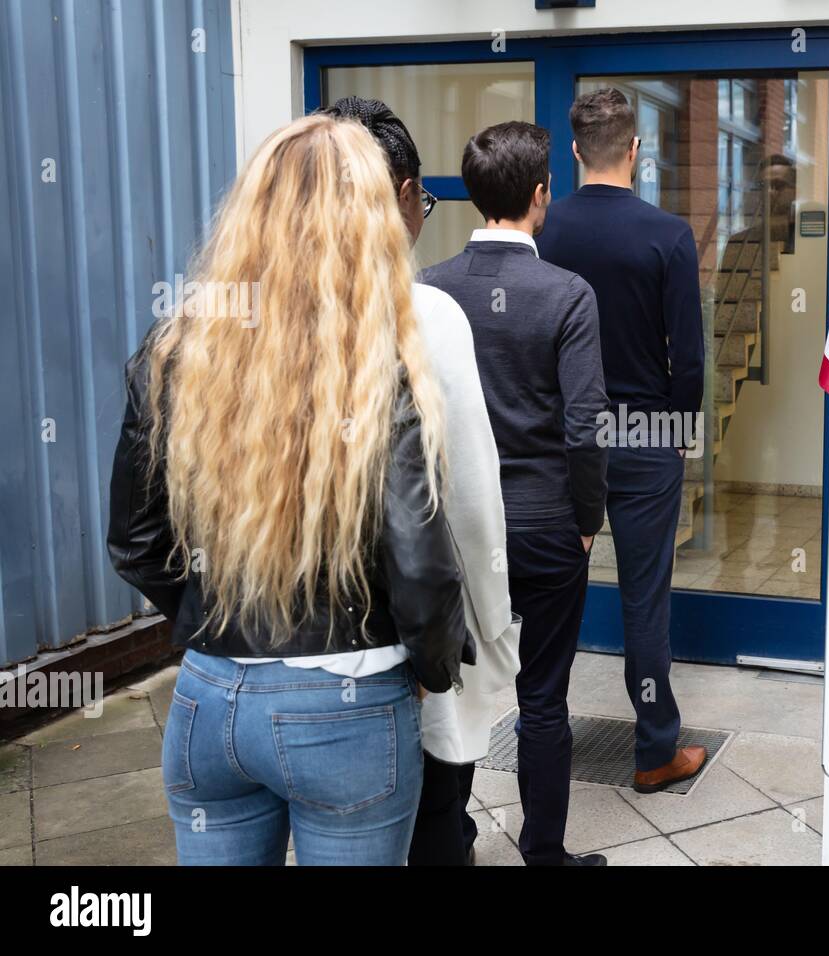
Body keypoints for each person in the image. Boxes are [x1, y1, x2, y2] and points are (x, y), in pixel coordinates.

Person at [106, 113, 469, 865]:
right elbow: (424, 572)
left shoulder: (175, 352)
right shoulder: (380, 368)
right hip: (350, 708)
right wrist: (434, 673)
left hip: (208, 704)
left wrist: (219, 618)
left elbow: (136, 543)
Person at [319, 96, 521, 867]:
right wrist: (491, 630)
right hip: (399, 658)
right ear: (402, 195)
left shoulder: (240, 316)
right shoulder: (426, 315)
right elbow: (467, 502)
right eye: (424, 202)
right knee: (436, 824)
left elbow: (145, 534)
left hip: (265, 665)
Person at [418, 120, 609, 866]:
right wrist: (587, 520)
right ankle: (545, 854)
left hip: (460, 531)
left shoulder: (428, 288)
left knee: (456, 688)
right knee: (544, 697)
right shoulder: (567, 295)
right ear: (540, 196)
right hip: (547, 524)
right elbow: (586, 424)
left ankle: (452, 839)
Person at [537, 88, 707, 793]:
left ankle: (540, 730)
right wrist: (680, 430)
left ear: (575, 151)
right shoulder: (668, 235)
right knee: (644, 599)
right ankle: (653, 751)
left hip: (561, 435)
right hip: (643, 433)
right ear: (636, 149)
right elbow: (689, 359)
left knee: (550, 594)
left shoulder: (544, 231)